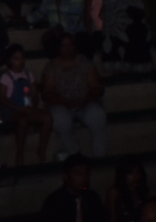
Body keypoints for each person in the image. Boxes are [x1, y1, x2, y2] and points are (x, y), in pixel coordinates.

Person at [39, 30, 107, 160]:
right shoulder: (51, 66)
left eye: (70, 44)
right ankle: (75, 156)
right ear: (59, 47)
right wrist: (64, 102)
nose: (67, 48)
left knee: (98, 115)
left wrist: (86, 100)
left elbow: (97, 87)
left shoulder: (85, 62)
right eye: (64, 45)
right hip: (61, 105)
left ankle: (100, 156)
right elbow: (47, 93)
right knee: (60, 119)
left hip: (86, 102)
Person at [0, 44, 53, 164]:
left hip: (27, 108)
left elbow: (35, 94)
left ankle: (42, 150)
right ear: (9, 61)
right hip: (11, 110)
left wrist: (32, 106)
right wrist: (18, 108)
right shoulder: (6, 77)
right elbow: (2, 99)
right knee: (22, 120)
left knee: (48, 118)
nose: (21, 61)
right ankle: (20, 153)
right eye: (16, 58)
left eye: (22, 58)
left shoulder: (29, 75)